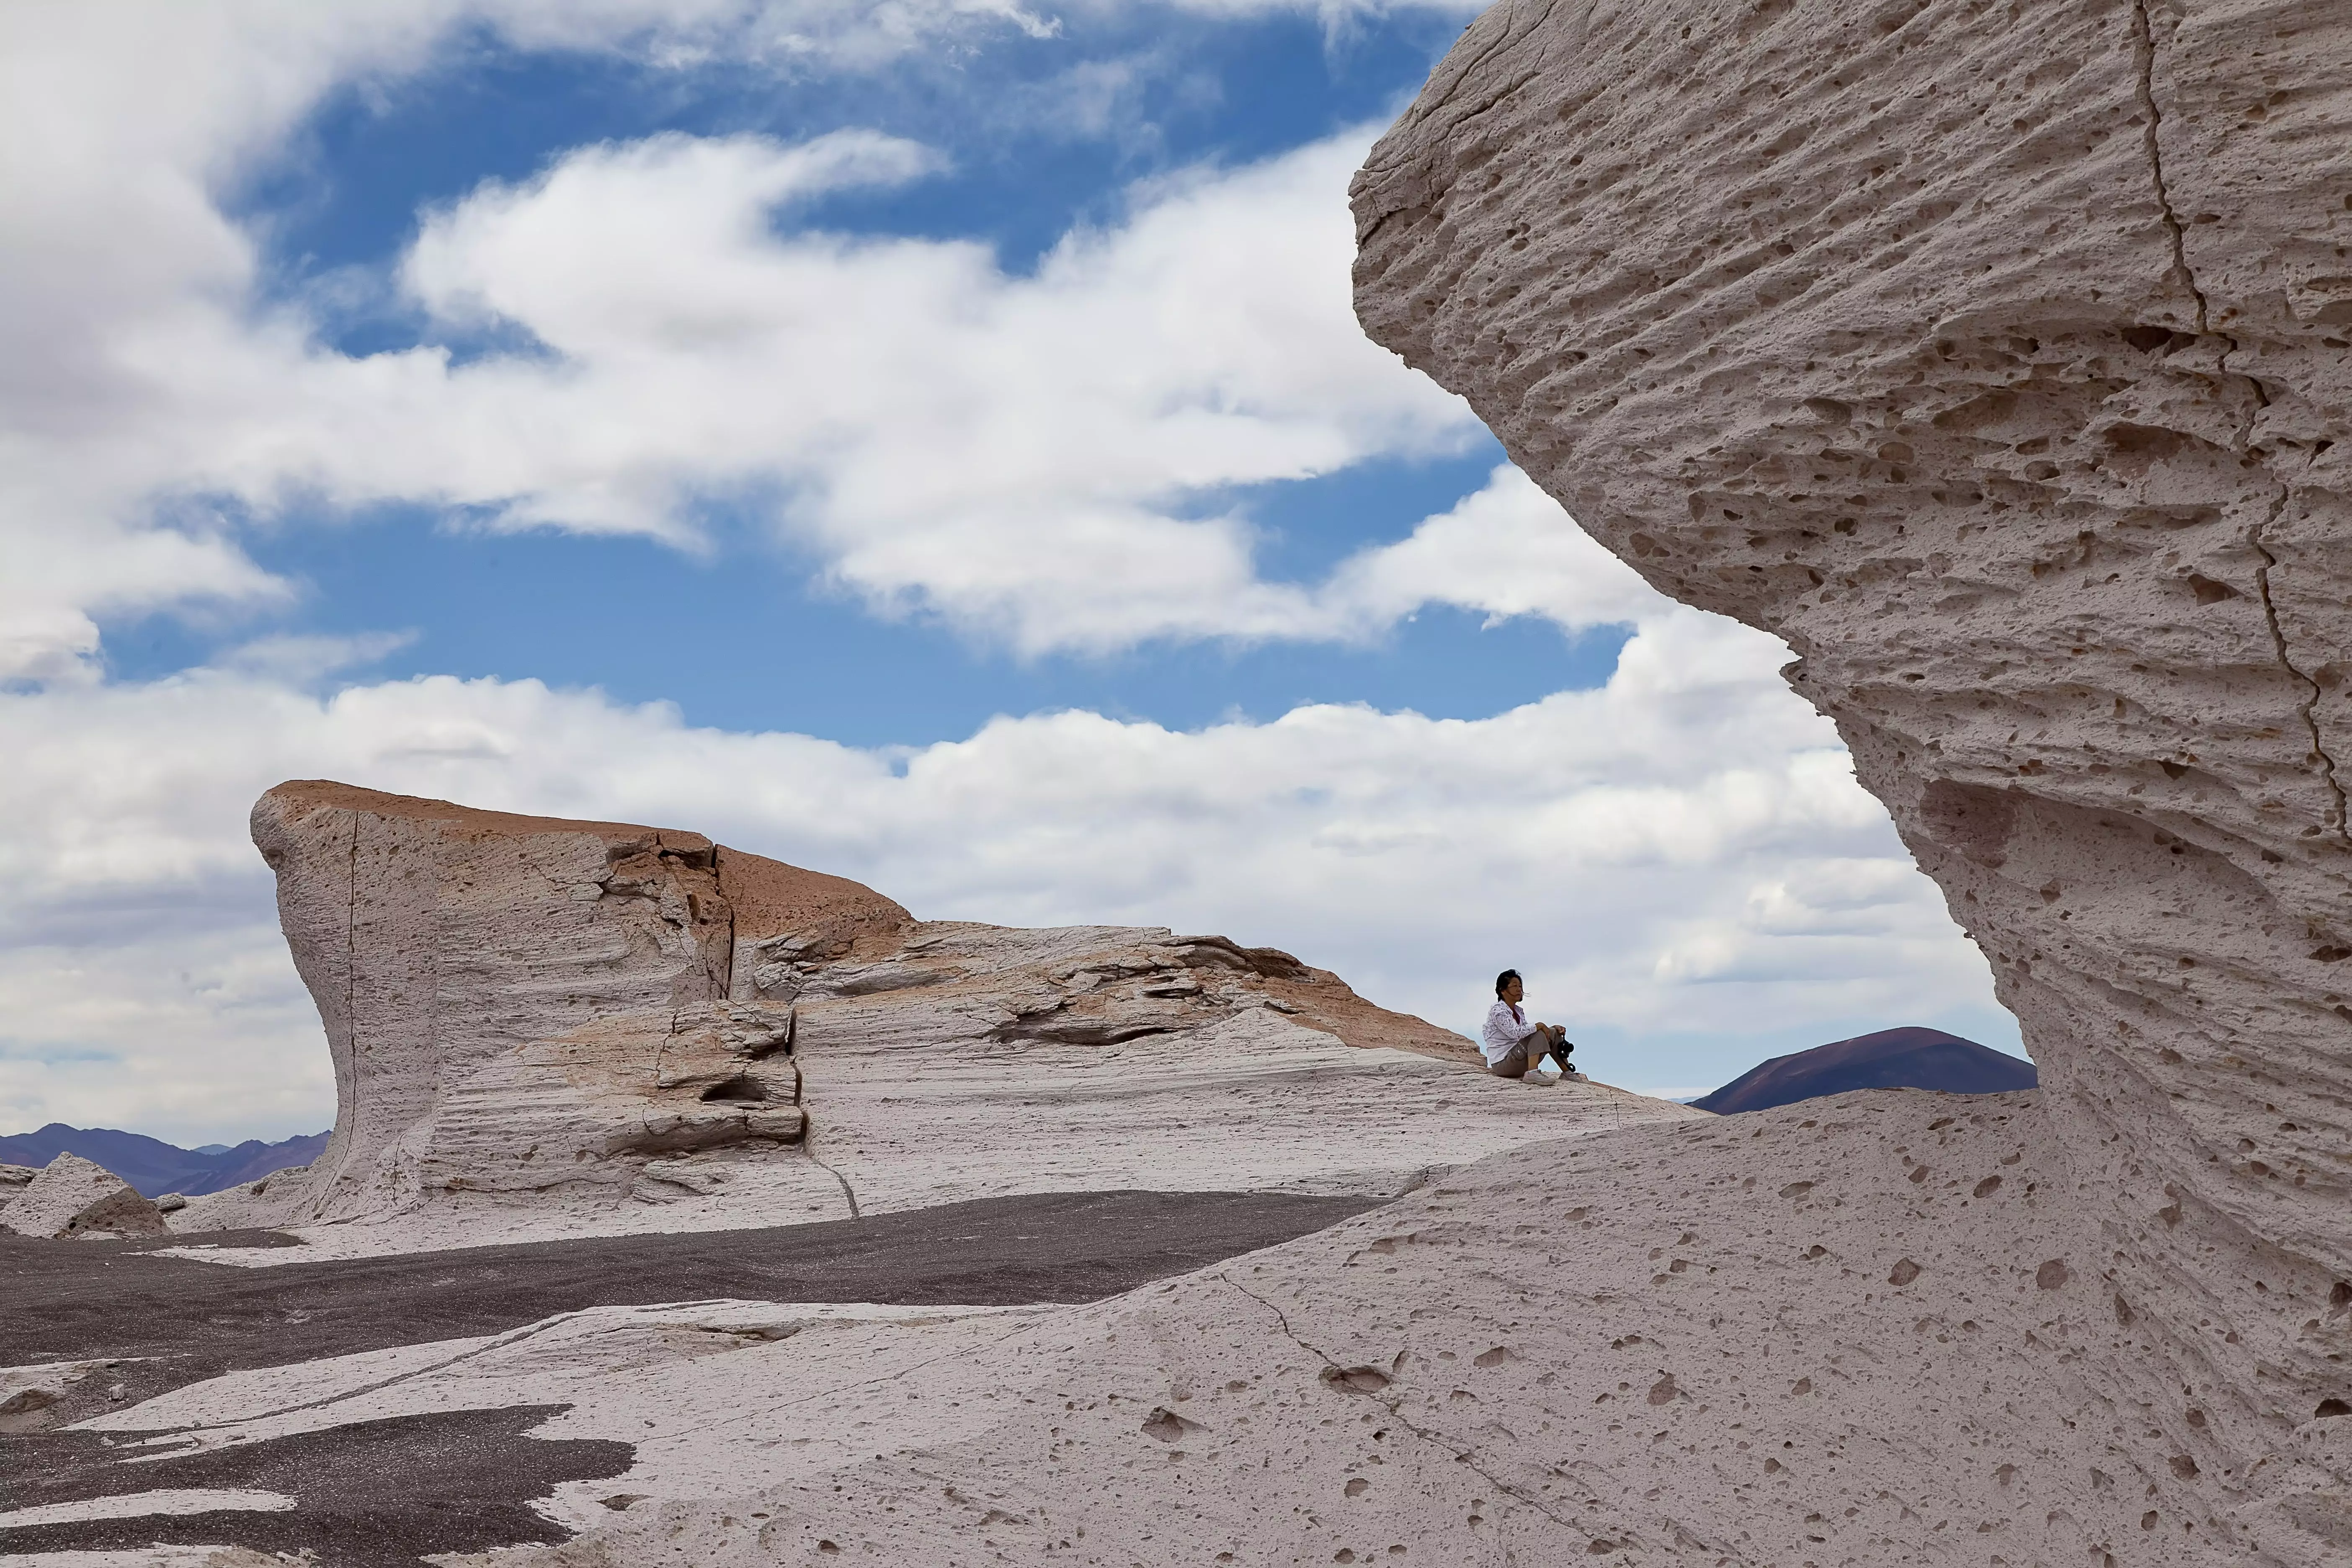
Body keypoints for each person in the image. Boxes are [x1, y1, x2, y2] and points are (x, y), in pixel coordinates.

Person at [1482, 969, 1574, 1082]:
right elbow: (1515, 1033)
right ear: (1503, 990)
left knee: (1554, 1032)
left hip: (1518, 1059)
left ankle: (1568, 1073)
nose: (1519, 989)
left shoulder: (1518, 1011)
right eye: (1515, 986)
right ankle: (1532, 1073)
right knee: (1538, 1031)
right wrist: (1539, 1026)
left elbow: (1527, 1033)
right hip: (1504, 1064)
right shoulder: (1498, 1010)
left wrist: (1551, 1029)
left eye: (1520, 986)